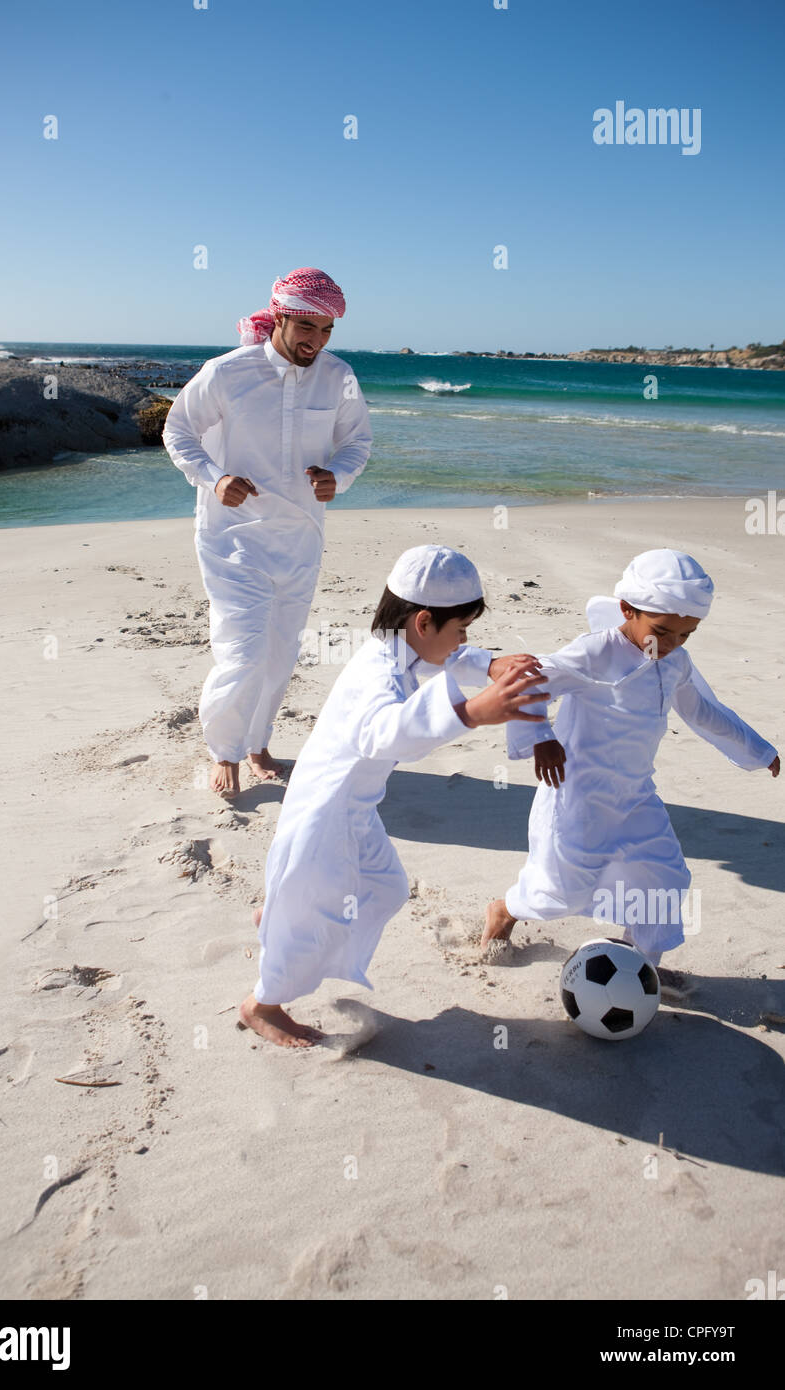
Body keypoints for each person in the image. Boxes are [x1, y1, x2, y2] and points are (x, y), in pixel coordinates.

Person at [238, 544, 549, 1048]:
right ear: (424, 622)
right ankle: (263, 1004)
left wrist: (486, 664)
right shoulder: (379, 675)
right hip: (326, 813)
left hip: (355, 808)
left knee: (385, 888)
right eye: (461, 629)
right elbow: (385, 734)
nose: (465, 640)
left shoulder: (395, 647)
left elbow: (443, 660)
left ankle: (279, 912)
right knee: (315, 914)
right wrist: (473, 712)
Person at [482, 550, 780, 984]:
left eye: (685, 635)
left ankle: (639, 967)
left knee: (661, 878)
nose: (671, 644)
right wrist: (541, 738)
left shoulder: (673, 661)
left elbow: (703, 712)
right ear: (627, 610)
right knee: (559, 892)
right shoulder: (596, 652)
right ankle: (505, 909)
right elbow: (528, 684)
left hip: (637, 793)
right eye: (661, 631)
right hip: (577, 793)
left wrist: (758, 749)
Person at [162, 267, 372, 797]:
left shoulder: (338, 377)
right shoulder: (226, 373)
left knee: (280, 651)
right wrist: (215, 478)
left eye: (327, 330)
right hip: (232, 537)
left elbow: (357, 442)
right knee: (244, 651)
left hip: (301, 538)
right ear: (278, 315)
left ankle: (257, 741)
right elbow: (178, 430)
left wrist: (338, 476)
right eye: (306, 326)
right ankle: (225, 750)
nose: (316, 341)